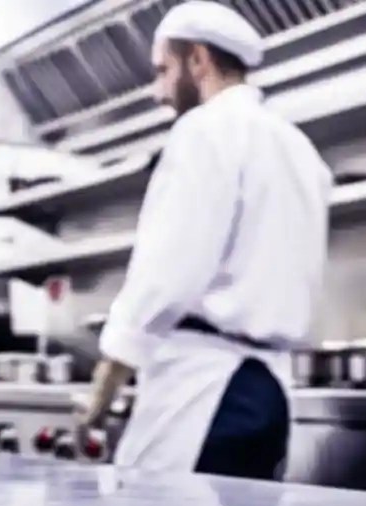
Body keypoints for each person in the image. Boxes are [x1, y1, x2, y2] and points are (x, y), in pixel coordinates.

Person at [75, 1, 333, 480]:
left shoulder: (204, 131)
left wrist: (110, 374)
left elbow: (169, 267)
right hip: (269, 393)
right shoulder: (298, 147)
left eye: (163, 70)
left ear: (198, 60)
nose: (158, 92)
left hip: (205, 392)